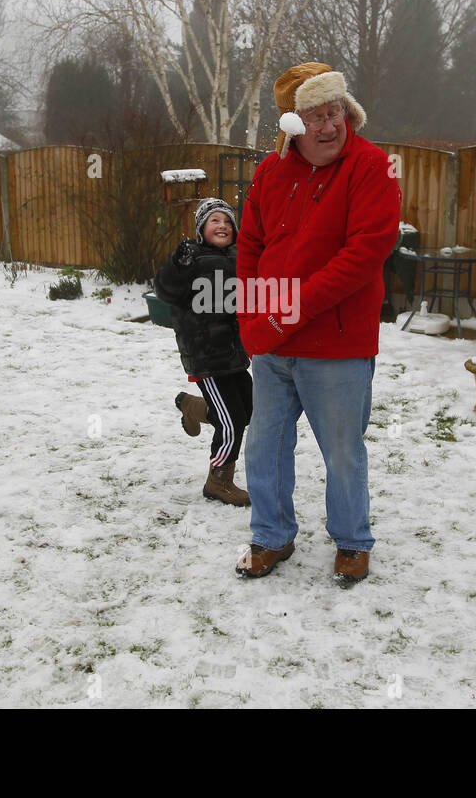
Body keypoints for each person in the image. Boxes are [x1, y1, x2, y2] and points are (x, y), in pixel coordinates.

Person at [233, 62, 401, 585]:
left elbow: (365, 253)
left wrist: (288, 310)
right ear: (292, 125)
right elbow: (250, 246)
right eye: (315, 117)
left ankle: (352, 541)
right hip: (273, 346)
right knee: (265, 445)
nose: (329, 126)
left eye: (335, 113)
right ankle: (271, 534)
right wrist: (249, 315)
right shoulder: (269, 172)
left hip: (338, 346)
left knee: (343, 451)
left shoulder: (372, 167)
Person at [154, 199, 253, 506]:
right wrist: (177, 264)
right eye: (214, 221)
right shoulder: (191, 260)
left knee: (247, 409)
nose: (222, 225)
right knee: (231, 422)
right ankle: (218, 481)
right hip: (207, 357)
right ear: (201, 230)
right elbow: (165, 289)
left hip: (234, 354)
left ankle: (194, 408)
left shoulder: (238, 259)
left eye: (227, 221)